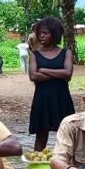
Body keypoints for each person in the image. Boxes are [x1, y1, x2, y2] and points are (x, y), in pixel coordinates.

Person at [28, 17, 75, 151]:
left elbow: (68, 74)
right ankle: (37, 163)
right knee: (41, 135)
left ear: (54, 34)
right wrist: (57, 74)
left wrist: (44, 70)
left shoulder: (66, 52)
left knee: (67, 133)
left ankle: (68, 162)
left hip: (61, 98)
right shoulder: (34, 54)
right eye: (40, 33)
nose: (41, 36)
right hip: (42, 98)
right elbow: (33, 76)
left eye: (45, 33)